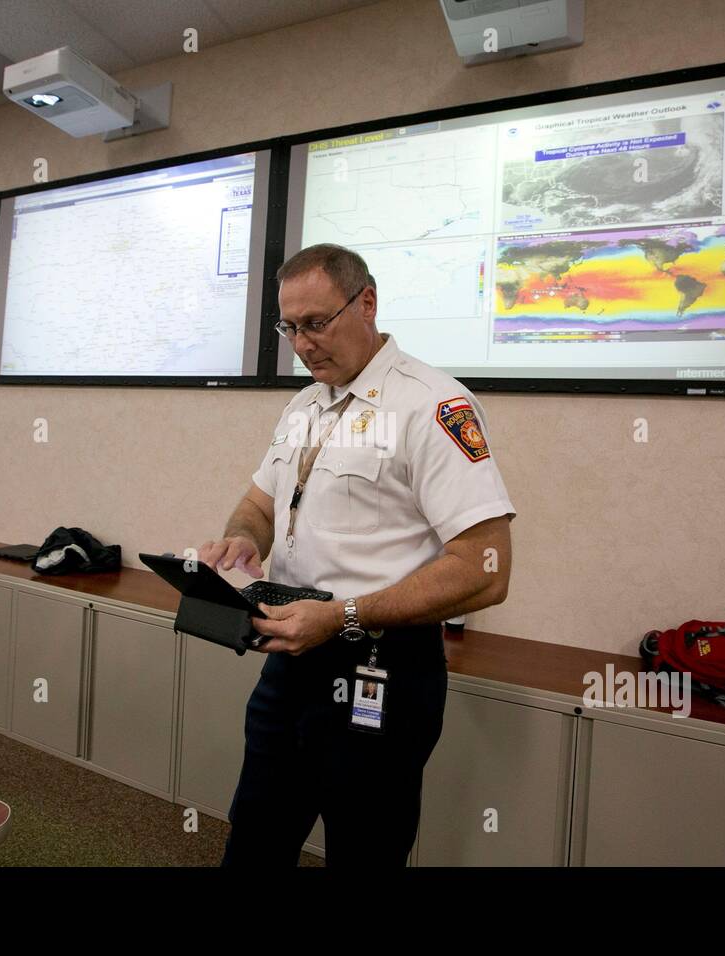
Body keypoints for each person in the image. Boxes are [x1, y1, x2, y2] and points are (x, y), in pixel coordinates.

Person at [199, 242, 515, 867]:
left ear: (367, 303)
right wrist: (242, 540)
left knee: (364, 852)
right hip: (290, 657)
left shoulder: (432, 405)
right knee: (254, 841)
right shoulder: (304, 405)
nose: (303, 344)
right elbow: (259, 507)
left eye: (317, 323)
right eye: (289, 327)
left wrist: (345, 615)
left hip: (383, 669)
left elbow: (487, 568)